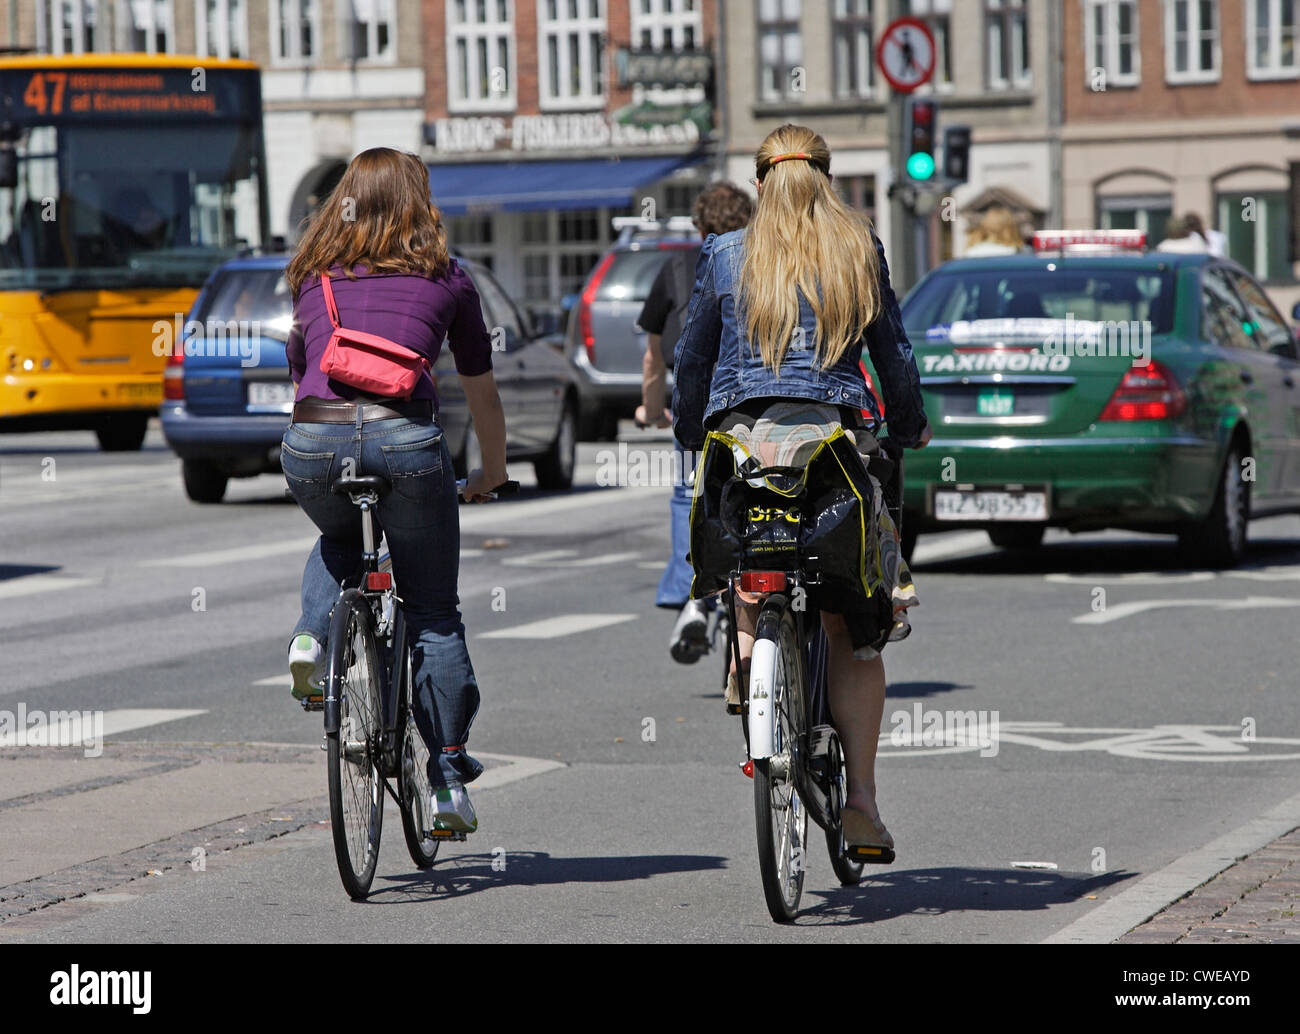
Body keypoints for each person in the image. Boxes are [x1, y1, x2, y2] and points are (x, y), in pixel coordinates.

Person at [673, 124, 932, 854]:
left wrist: (691, 433)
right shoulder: (858, 249)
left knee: (751, 561)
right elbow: (895, 357)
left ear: (759, 185)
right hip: (835, 448)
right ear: (828, 180)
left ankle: (748, 663)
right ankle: (863, 803)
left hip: (741, 443)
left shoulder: (725, 253)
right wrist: (910, 426)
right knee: (855, 629)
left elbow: (694, 359)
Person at [281, 147, 508, 834]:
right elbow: (482, 393)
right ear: (420, 203)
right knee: (434, 610)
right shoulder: (448, 278)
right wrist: (490, 472)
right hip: (405, 442)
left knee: (337, 535)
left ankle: (309, 644)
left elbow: (299, 373)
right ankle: (445, 782)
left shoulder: (312, 276)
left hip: (312, 441)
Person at [635, 182, 753, 662]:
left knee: (690, 496)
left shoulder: (680, 268)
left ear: (699, 226)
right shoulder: (762, 261)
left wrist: (650, 408)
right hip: (750, 404)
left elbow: (654, 358)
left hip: (697, 407)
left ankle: (696, 599)